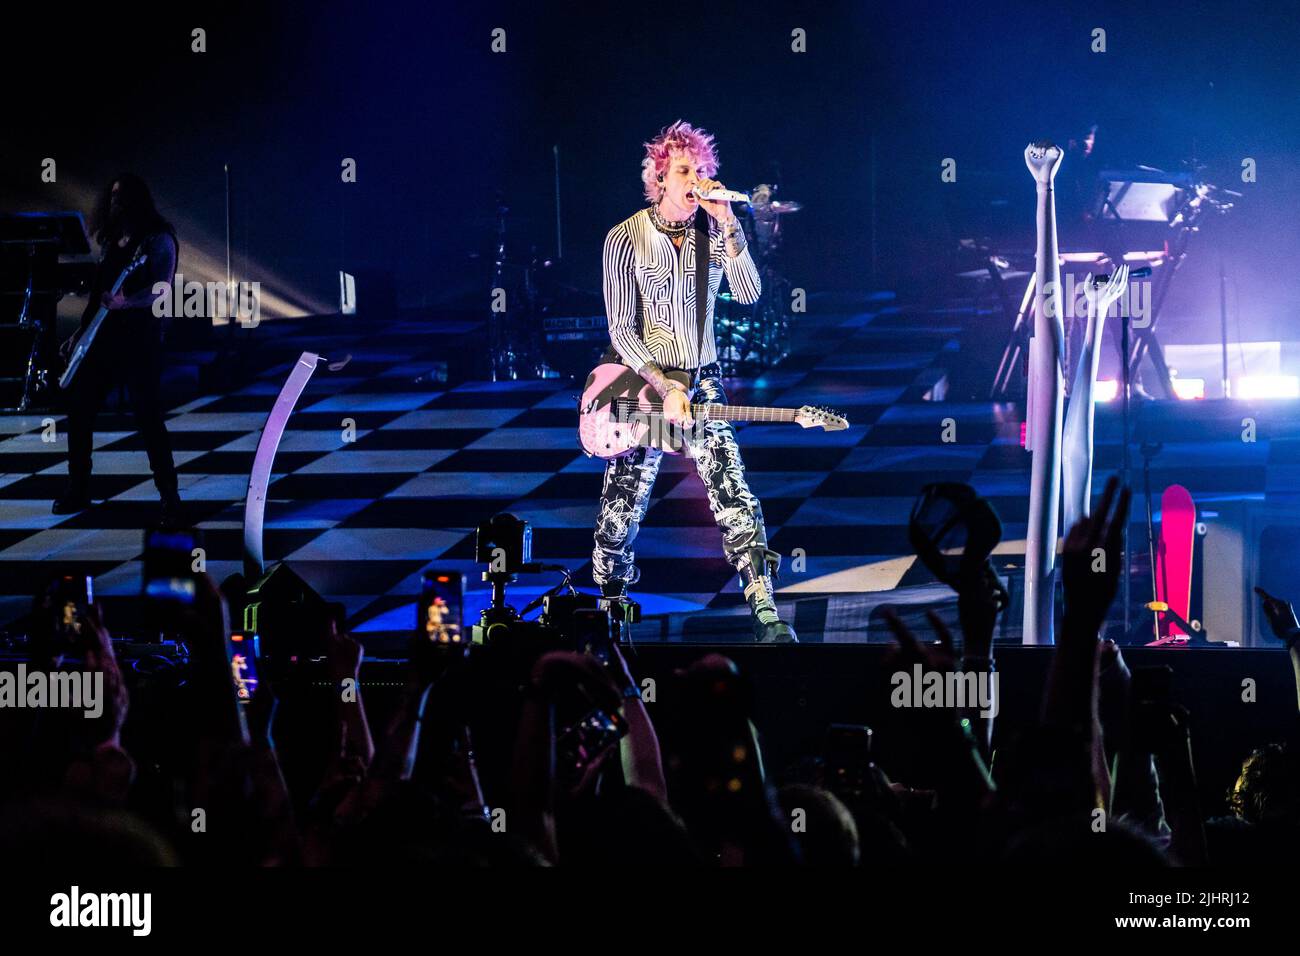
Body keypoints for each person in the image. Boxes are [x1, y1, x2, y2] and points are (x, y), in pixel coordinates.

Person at [591, 120, 795, 643]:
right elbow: (621, 328)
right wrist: (664, 384)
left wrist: (730, 225)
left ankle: (765, 609)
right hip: (641, 385)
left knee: (732, 487)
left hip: (701, 381)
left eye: (702, 170)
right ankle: (610, 591)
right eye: (685, 169)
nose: (696, 178)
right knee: (624, 502)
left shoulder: (713, 231)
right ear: (660, 177)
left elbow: (749, 293)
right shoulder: (625, 238)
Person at [54, 174, 181, 526]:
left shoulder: (158, 240)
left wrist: (127, 303)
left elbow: (161, 289)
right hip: (102, 341)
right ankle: (77, 488)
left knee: (149, 419)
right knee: (79, 411)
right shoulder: (112, 242)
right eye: (111, 197)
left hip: (140, 341)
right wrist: (80, 332)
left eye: (122, 197)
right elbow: (99, 295)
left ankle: (170, 498)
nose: (115, 204)